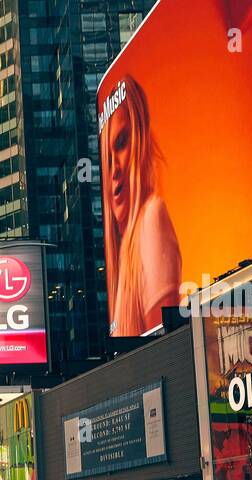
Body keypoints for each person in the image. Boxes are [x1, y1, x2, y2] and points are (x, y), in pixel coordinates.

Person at [101, 74, 182, 338]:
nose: (114, 169)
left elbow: (164, 343)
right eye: (107, 157)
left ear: (141, 139)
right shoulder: (125, 252)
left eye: (122, 143)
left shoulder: (151, 218)